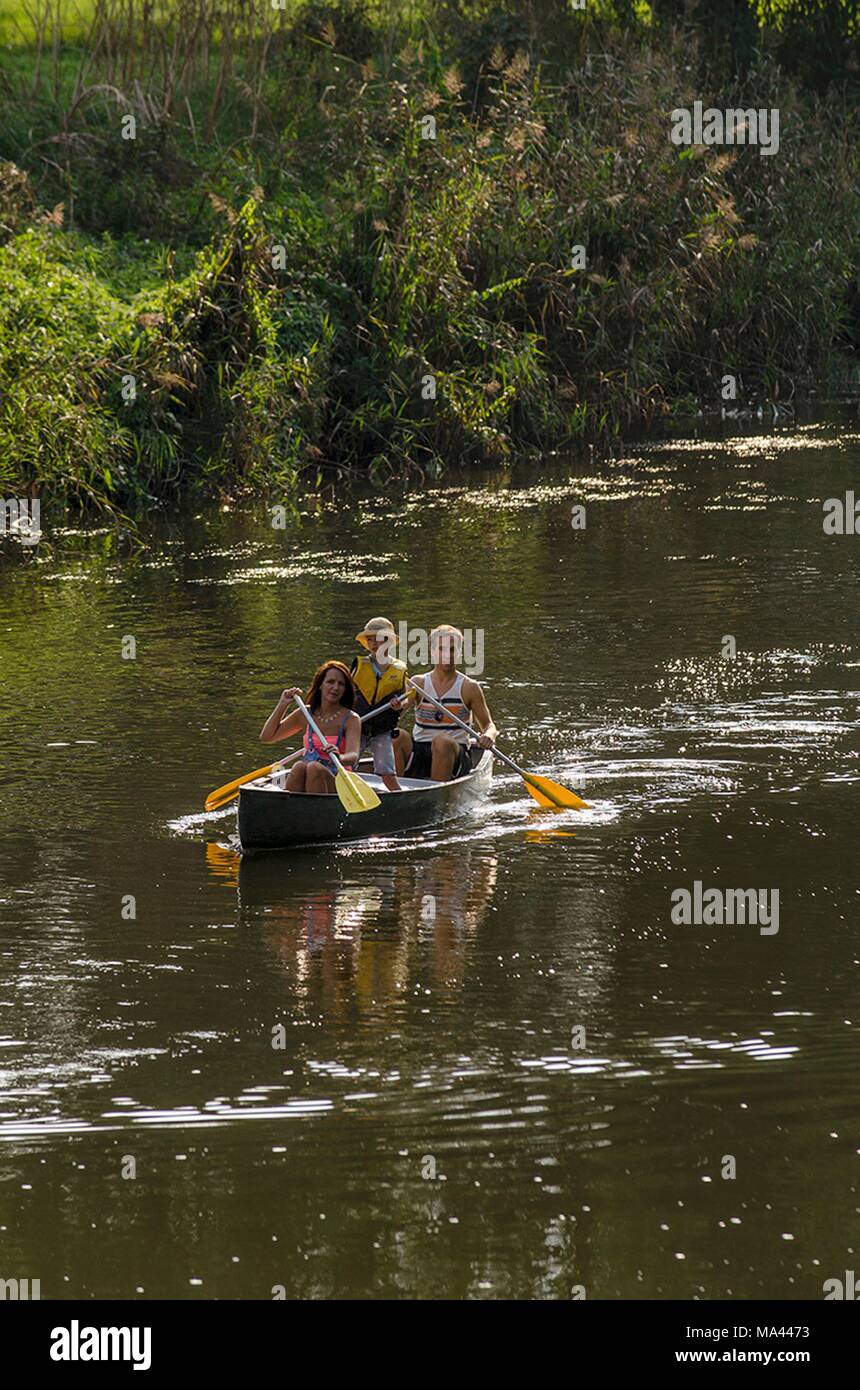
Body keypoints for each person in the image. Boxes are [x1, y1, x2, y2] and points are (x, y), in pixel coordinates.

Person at [397, 624, 497, 782]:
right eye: (441, 649)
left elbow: (489, 726)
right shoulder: (418, 683)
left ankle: (437, 793)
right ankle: (394, 791)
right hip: (420, 749)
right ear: (432, 652)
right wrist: (396, 706)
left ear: (459, 653)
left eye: (452, 650)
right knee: (396, 736)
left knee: (441, 741)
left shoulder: (469, 687)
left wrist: (488, 735)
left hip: (454, 752)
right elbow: (401, 708)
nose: (447, 655)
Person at [259, 661, 361, 793]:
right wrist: (283, 704)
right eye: (330, 682)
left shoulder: (351, 719)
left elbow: (353, 755)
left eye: (341, 684)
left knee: (314, 768)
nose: (335, 687)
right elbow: (267, 737)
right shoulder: (305, 714)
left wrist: (339, 757)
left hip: (340, 780)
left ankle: (314, 810)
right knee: (299, 766)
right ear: (320, 685)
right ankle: (292, 808)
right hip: (308, 772)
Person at [349, 616, 414, 792]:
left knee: (387, 772)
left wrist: (400, 704)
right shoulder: (359, 665)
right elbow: (344, 692)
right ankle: (341, 794)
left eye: (378, 638)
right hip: (357, 728)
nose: (373, 643)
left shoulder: (399, 669)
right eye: (369, 639)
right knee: (347, 766)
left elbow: (406, 697)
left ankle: (399, 797)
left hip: (382, 729)